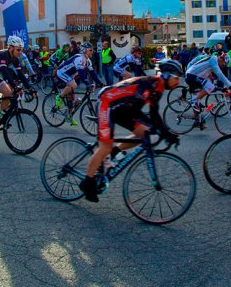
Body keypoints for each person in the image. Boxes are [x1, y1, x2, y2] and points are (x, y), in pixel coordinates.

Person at [77, 59, 183, 202]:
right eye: (176, 78)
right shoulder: (149, 84)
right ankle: (87, 183)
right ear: (166, 75)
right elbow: (136, 110)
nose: (179, 82)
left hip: (122, 107)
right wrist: (162, 131)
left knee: (143, 132)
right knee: (105, 146)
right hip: (107, 103)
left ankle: (115, 152)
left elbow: (154, 114)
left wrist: (166, 133)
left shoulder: (158, 87)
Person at [55, 42, 104, 122]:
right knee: (73, 85)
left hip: (70, 76)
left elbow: (93, 73)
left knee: (72, 98)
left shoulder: (88, 61)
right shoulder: (79, 58)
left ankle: (69, 116)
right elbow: (81, 72)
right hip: (61, 72)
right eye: (90, 50)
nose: (92, 52)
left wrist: (100, 83)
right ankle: (59, 97)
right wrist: (87, 83)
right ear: (84, 50)